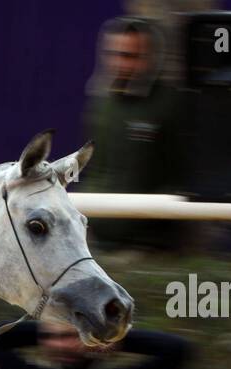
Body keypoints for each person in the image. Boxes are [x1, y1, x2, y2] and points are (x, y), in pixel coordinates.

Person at [78, 17, 184, 253]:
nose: (121, 63)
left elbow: (180, 174)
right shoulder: (101, 104)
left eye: (130, 56)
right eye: (114, 53)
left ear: (150, 59)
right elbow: (95, 171)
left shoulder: (171, 103)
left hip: (149, 249)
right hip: (99, 245)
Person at [0, 315, 192, 369]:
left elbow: (176, 349)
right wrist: (51, 328)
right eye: (50, 337)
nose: (59, 345)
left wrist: (113, 337)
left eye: (69, 337)